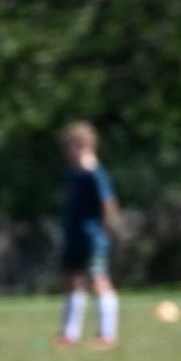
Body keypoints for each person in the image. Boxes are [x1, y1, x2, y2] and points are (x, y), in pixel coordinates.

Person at [53, 122, 123, 349]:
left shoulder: (96, 174)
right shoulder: (72, 175)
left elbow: (108, 204)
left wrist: (104, 231)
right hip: (74, 238)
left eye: (70, 146)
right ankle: (69, 334)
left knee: (99, 281)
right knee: (72, 282)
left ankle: (107, 334)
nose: (66, 152)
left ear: (83, 146)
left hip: (93, 239)